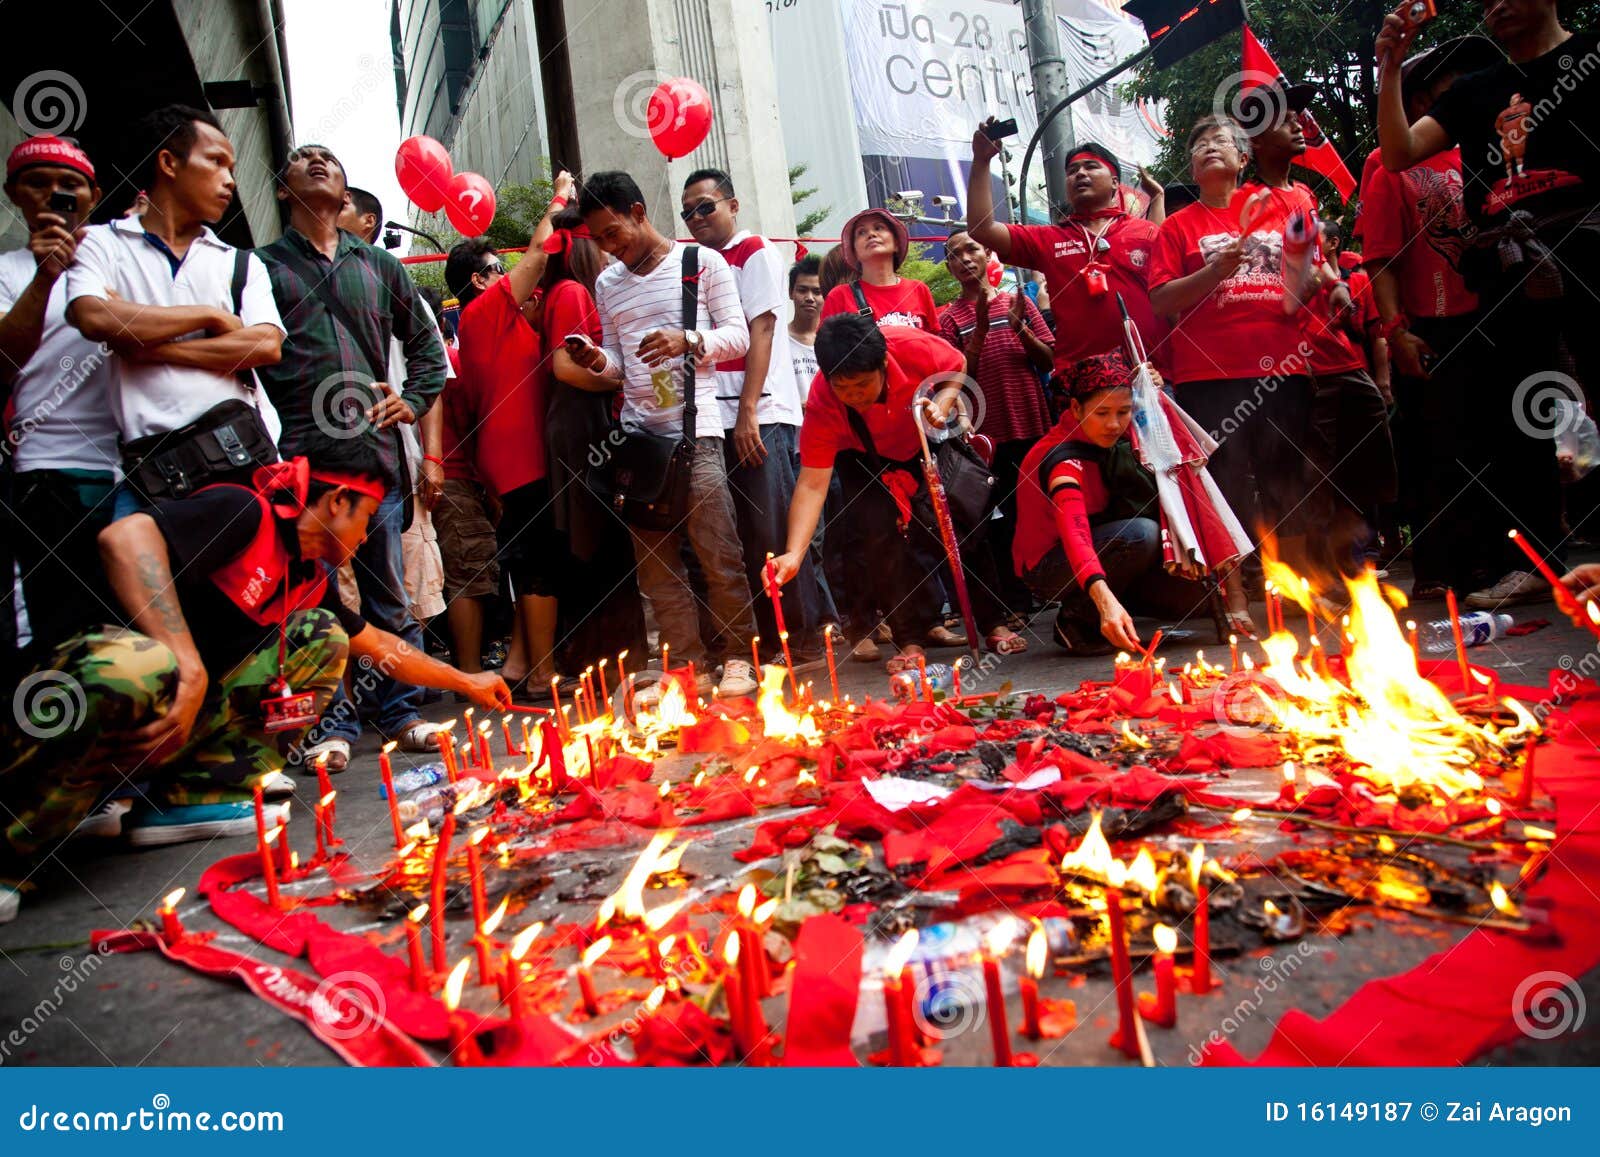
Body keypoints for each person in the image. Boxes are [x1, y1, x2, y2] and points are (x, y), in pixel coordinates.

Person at [0, 433, 510, 923]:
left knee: (323, 635)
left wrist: (466, 682)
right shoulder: (242, 510)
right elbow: (125, 536)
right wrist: (186, 660)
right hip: (64, 696)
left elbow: (378, 645)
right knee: (144, 664)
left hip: (163, 727)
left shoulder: (307, 573)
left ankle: (192, 794)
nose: (368, 534)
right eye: (368, 517)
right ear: (337, 501)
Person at [1376, 0, 1596, 608]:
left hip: (1588, 246)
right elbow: (1398, 152)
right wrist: (1390, 67)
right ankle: (1538, 562)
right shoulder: (1476, 91)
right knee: (1515, 417)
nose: (1495, 5)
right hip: (1506, 266)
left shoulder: (1590, 59)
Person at [253, 143, 450, 765]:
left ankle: (399, 713)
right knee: (313, 600)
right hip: (301, 464)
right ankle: (330, 726)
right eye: (301, 158)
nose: (315, 159)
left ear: (346, 193)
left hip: (376, 463)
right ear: (283, 191)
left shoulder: (380, 266)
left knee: (388, 594)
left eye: (329, 158)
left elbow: (428, 349)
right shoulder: (260, 268)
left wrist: (413, 402)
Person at [571, 170, 759, 698]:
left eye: (613, 233)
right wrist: (595, 358)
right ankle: (687, 670)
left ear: (637, 212)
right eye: (598, 240)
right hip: (638, 441)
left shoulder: (701, 263)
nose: (609, 248)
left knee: (718, 552)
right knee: (656, 567)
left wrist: (687, 339)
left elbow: (738, 335)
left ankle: (740, 658)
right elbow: (618, 365)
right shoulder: (607, 282)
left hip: (697, 435)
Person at [770, 314, 1025, 670]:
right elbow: (813, 483)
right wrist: (794, 553)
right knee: (881, 540)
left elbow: (958, 365)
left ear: (884, 364)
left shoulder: (910, 346)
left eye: (862, 385)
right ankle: (909, 639)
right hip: (863, 458)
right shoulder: (824, 402)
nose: (854, 396)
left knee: (962, 522)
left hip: (926, 437)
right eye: (843, 387)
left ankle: (993, 621)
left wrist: (944, 403)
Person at [64, 106, 285, 515]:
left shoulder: (238, 262)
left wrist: (147, 345)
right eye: (216, 161)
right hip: (151, 472)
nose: (230, 180)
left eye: (233, 167)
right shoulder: (101, 243)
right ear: (168, 162)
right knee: (130, 555)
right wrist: (210, 317)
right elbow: (93, 317)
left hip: (244, 462)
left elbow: (266, 344)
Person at [1147, 113, 1313, 636]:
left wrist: (1317, 281)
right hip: (1209, 376)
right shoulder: (1176, 227)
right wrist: (1213, 272)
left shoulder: (1280, 205)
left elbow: (1302, 282)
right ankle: (1234, 597)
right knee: (1223, 488)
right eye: (1200, 144)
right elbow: (1160, 299)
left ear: (1244, 160)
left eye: (1221, 141)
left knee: (1289, 483)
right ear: (1193, 167)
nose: (1209, 147)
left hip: (1284, 369)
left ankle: (1300, 591)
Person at [1359, 34, 1503, 601]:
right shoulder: (1389, 161)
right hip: (1432, 326)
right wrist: (1396, 331)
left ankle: (1498, 563)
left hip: (1500, 315)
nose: (1467, 88)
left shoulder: (1496, 148)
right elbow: (1380, 257)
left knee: (1497, 440)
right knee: (1438, 448)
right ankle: (1439, 567)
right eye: (1452, 81)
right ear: (1422, 101)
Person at [680, 168, 834, 662]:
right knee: (742, 534)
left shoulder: (756, 251)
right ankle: (766, 639)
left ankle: (801, 637)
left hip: (760, 411)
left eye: (706, 206)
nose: (697, 217)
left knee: (772, 531)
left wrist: (749, 410)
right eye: (688, 212)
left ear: (732, 205)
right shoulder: (699, 260)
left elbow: (762, 330)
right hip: (714, 414)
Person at [1244, 95, 1396, 587]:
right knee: (1308, 471)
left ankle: (1357, 551)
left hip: (1337, 357)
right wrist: (1306, 288)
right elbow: (1270, 275)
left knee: (1367, 445)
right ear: (1258, 138)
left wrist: (1334, 285)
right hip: (1289, 361)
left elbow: (1315, 256)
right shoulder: (1247, 202)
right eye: (1284, 120)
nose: (1297, 124)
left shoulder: (1304, 195)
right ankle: (1313, 574)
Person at [447, 171, 573, 698]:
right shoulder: (482, 313)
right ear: (480, 280)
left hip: (511, 456)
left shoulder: (502, 321)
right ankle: (544, 674)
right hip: (517, 456)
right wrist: (560, 195)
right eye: (499, 267)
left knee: (528, 561)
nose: (512, 274)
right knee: (540, 562)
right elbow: (540, 252)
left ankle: (521, 663)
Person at [0, 137, 121, 655]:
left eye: (69, 183)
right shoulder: (6, 271)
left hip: (135, 467)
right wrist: (46, 278)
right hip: (46, 473)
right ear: (14, 194)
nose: (55, 193)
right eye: (38, 182)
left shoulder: (121, 254)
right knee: (61, 633)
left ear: (93, 194)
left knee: (132, 624)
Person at [1013, 352, 1209, 653]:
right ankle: (1077, 619)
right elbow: (1073, 530)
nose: (1114, 425)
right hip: (1051, 565)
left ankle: (1117, 601)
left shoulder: (1124, 433)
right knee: (1140, 534)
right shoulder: (1061, 457)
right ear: (1077, 409)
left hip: (1105, 543)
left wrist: (1150, 386)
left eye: (1123, 412)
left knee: (1198, 599)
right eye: (1102, 414)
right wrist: (1104, 600)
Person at [536, 206, 648, 677]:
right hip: (582, 426)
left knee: (595, 538)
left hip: (582, 424)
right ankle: (605, 655)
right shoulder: (573, 292)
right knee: (594, 539)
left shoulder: (566, 291)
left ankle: (606, 654)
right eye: (599, 242)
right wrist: (625, 379)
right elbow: (563, 366)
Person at [966, 129, 1164, 374]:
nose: (1080, 173)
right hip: (1080, 386)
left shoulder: (1147, 232)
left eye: (1091, 167)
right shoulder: (1049, 238)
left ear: (1115, 183)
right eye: (1072, 171)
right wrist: (982, 160)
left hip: (1148, 375)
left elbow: (1170, 300)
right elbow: (981, 228)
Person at [939, 229, 1053, 626]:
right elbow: (954, 380)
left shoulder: (1017, 301)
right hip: (984, 436)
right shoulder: (948, 317)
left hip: (1033, 423)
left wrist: (1020, 327)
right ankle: (1016, 603)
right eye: (955, 254)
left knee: (1037, 512)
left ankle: (1050, 589)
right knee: (998, 520)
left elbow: (1049, 359)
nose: (965, 258)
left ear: (988, 253)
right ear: (950, 267)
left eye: (971, 248)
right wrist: (983, 329)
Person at [819, 208, 938, 330]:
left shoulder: (919, 290)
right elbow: (826, 346)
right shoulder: (839, 296)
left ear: (896, 243)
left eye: (879, 228)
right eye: (861, 232)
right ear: (854, 252)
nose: (871, 234)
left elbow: (934, 344)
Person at [786, 254, 824, 404]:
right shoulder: (776, 340)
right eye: (802, 290)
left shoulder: (835, 341)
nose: (809, 297)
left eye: (817, 292)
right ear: (791, 292)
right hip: (787, 426)